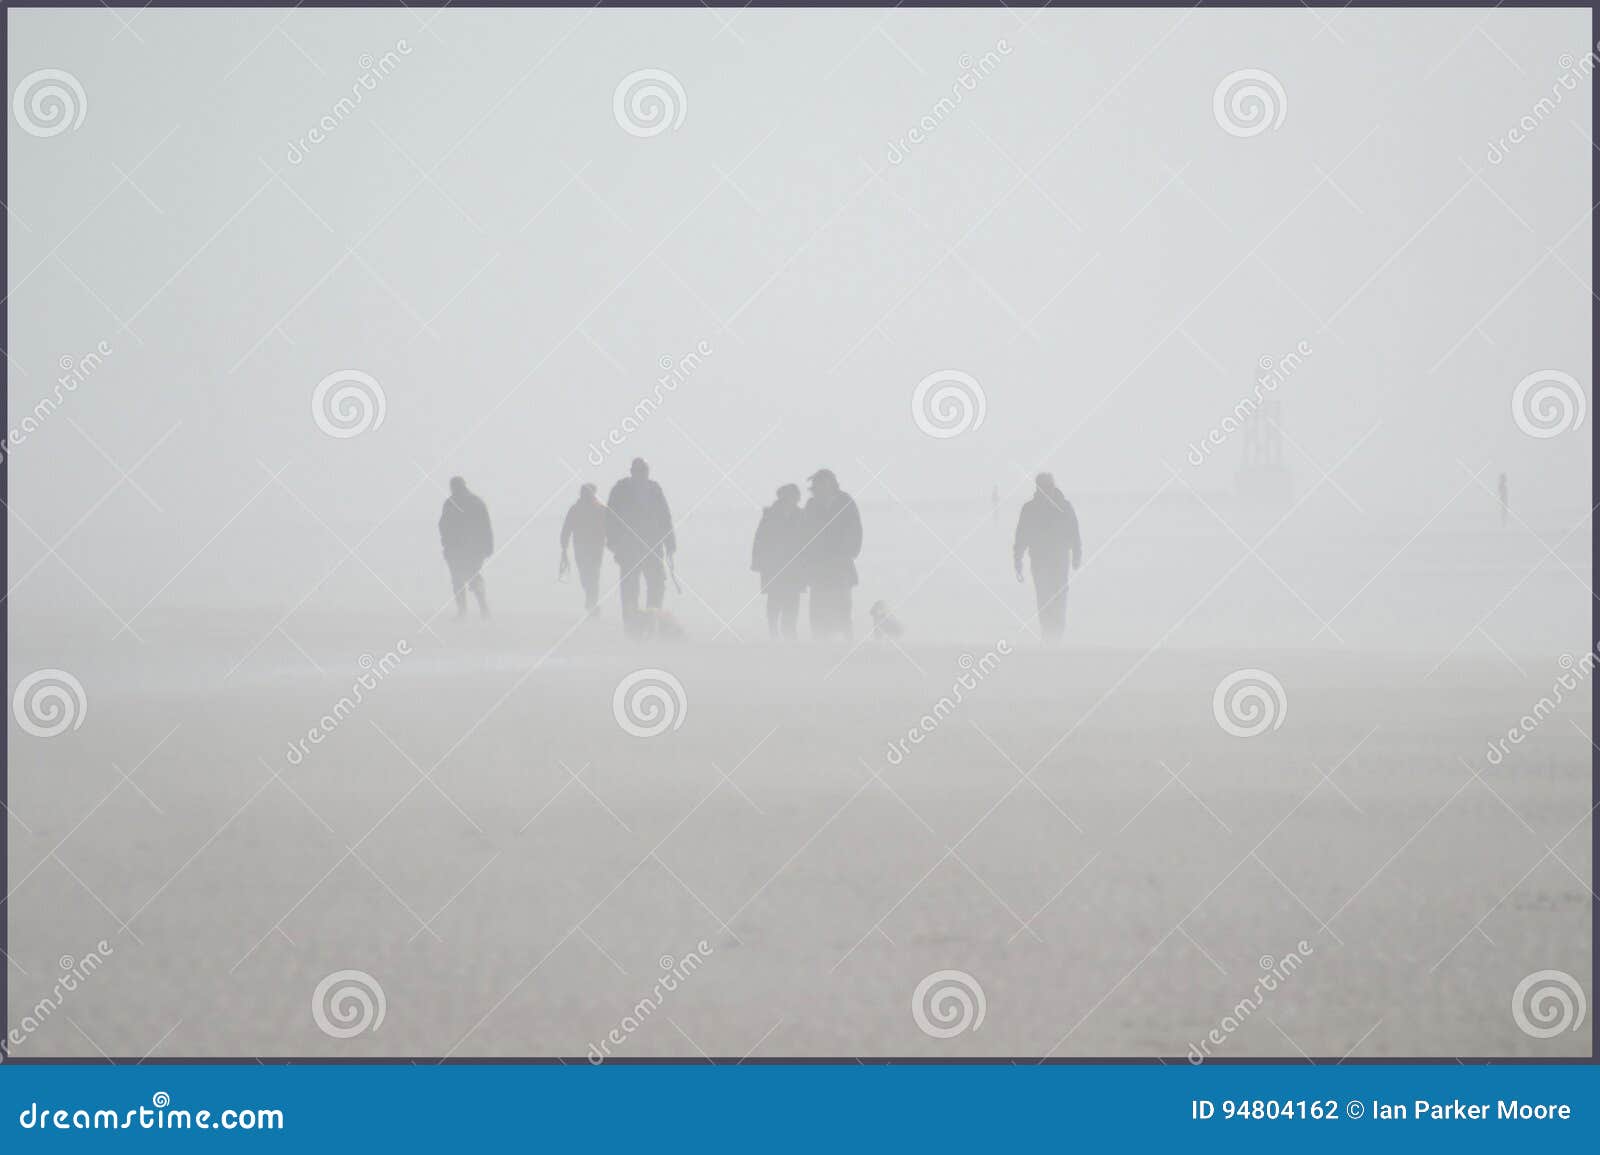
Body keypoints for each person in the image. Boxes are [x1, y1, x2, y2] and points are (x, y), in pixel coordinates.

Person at [605, 457, 676, 637]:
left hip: (652, 546)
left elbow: (665, 517)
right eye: (638, 471)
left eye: (644, 471)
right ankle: (632, 627)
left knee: (657, 584)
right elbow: (610, 518)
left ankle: (653, 620)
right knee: (630, 588)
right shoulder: (620, 490)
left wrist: (670, 542)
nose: (642, 474)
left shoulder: (654, 490)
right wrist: (613, 542)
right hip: (628, 549)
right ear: (632, 472)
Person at [1013, 473, 1081, 642]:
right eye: (1042, 487)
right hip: (1039, 561)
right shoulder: (1029, 509)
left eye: (1048, 486)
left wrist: (1077, 556)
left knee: (1059, 595)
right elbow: (1021, 536)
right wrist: (1018, 560)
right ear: (1037, 487)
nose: (1046, 490)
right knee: (1044, 596)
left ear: (1053, 486)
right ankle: (1048, 633)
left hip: (1059, 560)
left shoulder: (1064, 506)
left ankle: (1057, 633)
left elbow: (1074, 532)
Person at [802, 468, 863, 640]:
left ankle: (846, 641)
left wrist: (850, 552)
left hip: (841, 562)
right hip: (817, 563)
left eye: (824, 482)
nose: (821, 486)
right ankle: (820, 640)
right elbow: (805, 533)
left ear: (832, 483)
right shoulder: (812, 504)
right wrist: (807, 558)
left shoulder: (845, 501)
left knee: (842, 604)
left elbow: (855, 529)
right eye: (818, 483)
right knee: (818, 605)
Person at [751, 483, 806, 639]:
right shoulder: (770, 516)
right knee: (775, 600)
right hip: (774, 566)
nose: (793, 499)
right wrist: (758, 563)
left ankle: (790, 634)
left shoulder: (801, 515)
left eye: (795, 497)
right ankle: (774, 633)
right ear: (782, 497)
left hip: (795, 568)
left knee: (792, 602)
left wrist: (807, 564)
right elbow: (759, 540)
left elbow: (807, 540)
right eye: (789, 496)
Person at [439, 476, 493, 619]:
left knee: (462, 579)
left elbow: (443, 526)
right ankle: (477, 609)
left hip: (464, 549)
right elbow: (486, 526)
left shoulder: (452, 503)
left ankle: (470, 611)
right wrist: (488, 547)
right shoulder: (474, 502)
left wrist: (446, 544)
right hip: (467, 549)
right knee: (469, 577)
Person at [560, 483, 608, 617]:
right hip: (581, 548)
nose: (586, 495)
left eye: (588, 493)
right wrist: (564, 546)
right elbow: (567, 528)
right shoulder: (575, 510)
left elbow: (610, 527)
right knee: (585, 576)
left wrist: (613, 542)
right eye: (584, 493)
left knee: (594, 575)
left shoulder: (600, 510)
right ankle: (591, 600)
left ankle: (592, 603)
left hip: (596, 548)